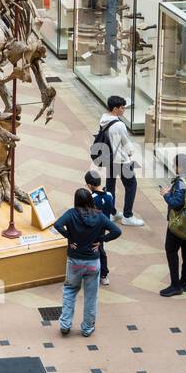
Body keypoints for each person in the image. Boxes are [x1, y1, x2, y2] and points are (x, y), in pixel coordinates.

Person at [51, 188, 123, 337]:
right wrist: (101, 240)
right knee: (91, 296)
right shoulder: (100, 216)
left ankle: (65, 325)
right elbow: (117, 231)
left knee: (70, 291)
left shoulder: (71, 214)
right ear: (90, 200)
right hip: (92, 263)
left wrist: (70, 237)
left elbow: (57, 225)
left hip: (75, 261)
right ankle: (87, 328)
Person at [92, 96, 144, 226]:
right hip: (121, 160)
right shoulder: (119, 125)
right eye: (122, 108)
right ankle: (127, 216)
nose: (123, 110)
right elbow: (126, 142)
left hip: (109, 158)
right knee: (131, 185)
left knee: (110, 186)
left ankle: (111, 213)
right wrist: (131, 151)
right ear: (115, 109)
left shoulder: (103, 119)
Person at [158, 156, 186, 297]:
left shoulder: (181, 182)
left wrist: (166, 195)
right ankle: (184, 282)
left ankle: (175, 285)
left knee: (171, 250)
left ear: (180, 166)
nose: (173, 167)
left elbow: (177, 203)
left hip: (179, 223)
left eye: (175, 164)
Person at [85, 169, 117, 286]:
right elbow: (111, 208)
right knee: (100, 248)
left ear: (89, 185)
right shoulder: (109, 195)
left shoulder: (91, 197)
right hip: (103, 227)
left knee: (94, 249)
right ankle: (103, 275)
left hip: (93, 228)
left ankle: (98, 273)